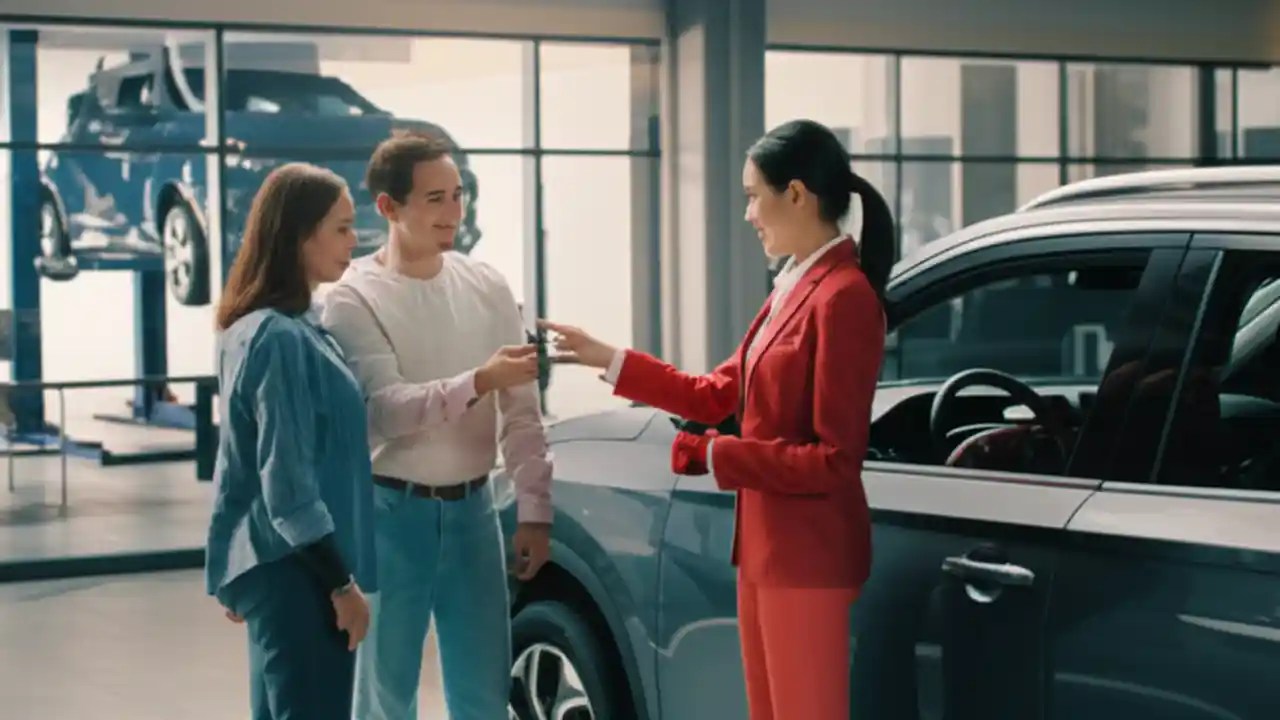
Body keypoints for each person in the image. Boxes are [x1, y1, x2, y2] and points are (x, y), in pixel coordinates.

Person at [540, 118, 894, 720]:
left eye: (754, 196)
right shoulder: (792, 288)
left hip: (806, 559)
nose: (749, 213)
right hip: (766, 552)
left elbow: (835, 462)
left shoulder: (844, 296)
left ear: (798, 195)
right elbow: (713, 394)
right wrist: (608, 358)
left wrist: (714, 456)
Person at [320, 133, 554, 720]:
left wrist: (534, 508)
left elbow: (521, 408)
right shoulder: (352, 298)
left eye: (458, 195)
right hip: (389, 517)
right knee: (384, 699)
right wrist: (479, 380)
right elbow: (386, 411)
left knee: (482, 695)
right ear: (388, 207)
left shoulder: (488, 285)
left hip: (476, 514)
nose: (454, 213)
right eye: (435, 199)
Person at [205, 162, 376, 720]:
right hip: (299, 573)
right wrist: (341, 587)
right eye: (342, 228)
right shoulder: (280, 338)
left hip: (275, 568)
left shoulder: (262, 327)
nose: (355, 240)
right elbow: (289, 484)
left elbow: (240, 467)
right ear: (300, 234)